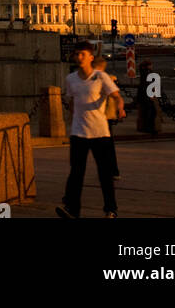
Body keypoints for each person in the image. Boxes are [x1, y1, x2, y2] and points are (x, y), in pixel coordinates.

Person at [56, 39, 125, 220]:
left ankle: (111, 209)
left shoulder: (100, 77)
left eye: (82, 54)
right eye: (77, 54)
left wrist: (120, 107)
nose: (79, 57)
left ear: (90, 57)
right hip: (78, 133)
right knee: (76, 173)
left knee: (104, 174)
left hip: (99, 133)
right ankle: (72, 210)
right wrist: (72, 119)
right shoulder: (70, 78)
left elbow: (116, 96)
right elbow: (72, 101)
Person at [94, 56, 123, 178]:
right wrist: (120, 110)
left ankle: (110, 171)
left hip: (102, 117)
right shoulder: (108, 78)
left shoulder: (100, 79)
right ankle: (112, 170)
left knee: (104, 146)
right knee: (108, 146)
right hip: (108, 115)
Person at [135, 59, 161, 136]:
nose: (152, 66)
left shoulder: (144, 73)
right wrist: (151, 95)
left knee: (146, 112)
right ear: (148, 66)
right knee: (152, 112)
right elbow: (147, 85)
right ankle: (150, 128)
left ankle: (146, 127)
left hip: (143, 96)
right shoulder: (148, 73)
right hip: (147, 96)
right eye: (150, 65)